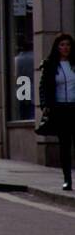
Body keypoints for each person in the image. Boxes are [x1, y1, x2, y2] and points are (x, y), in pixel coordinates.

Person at [38, 33, 75, 191]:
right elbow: (43, 87)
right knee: (65, 145)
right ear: (57, 47)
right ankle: (67, 179)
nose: (65, 48)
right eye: (62, 45)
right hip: (60, 109)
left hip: (74, 107)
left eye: (67, 45)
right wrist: (45, 104)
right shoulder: (50, 64)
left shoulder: (74, 64)